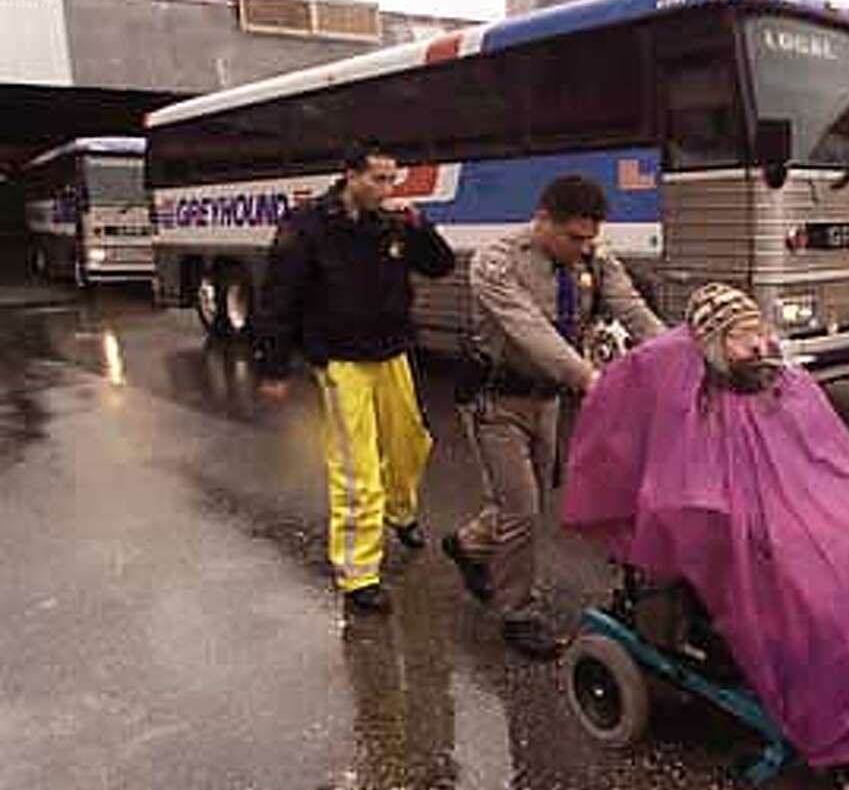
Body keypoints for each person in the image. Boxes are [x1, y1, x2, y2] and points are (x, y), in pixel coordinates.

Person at [562, 283, 849, 790]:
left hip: (802, 521)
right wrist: (753, 525)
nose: (758, 347)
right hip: (754, 542)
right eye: (741, 338)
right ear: (710, 345)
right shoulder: (694, 407)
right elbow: (680, 498)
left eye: (760, 332)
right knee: (820, 598)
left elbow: (832, 459)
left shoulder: (784, 386)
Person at [443, 174, 664, 659]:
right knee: (521, 509)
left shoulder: (593, 258)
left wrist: (676, 354)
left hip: (546, 400)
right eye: (574, 237)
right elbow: (529, 330)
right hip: (494, 401)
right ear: (543, 220)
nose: (583, 247)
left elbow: (633, 309)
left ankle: (468, 544)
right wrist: (588, 377)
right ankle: (517, 612)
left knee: (530, 502)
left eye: (590, 238)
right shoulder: (496, 262)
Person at [255, 141, 455, 614]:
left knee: (411, 443)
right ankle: (358, 573)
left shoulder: (393, 223)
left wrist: (421, 227)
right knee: (356, 469)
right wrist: (274, 365)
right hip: (341, 360)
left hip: (391, 352)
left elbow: (440, 266)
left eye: (392, 179)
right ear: (350, 175)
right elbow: (279, 296)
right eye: (377, 179)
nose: (387, 189)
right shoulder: (307, 226)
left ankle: (400, 511)